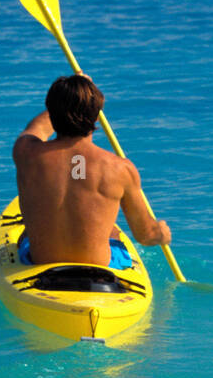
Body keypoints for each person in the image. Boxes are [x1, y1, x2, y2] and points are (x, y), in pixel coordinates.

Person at [12, 73, 172, 267]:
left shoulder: (26, 152)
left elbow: (37, 127)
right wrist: (161, 233)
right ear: (97, 115)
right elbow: (145, 236)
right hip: (99, 270)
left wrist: (69, 96)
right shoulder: (120, 168)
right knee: (113, 231)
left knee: (25, 234)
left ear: (52, 113)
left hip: (40, 264)